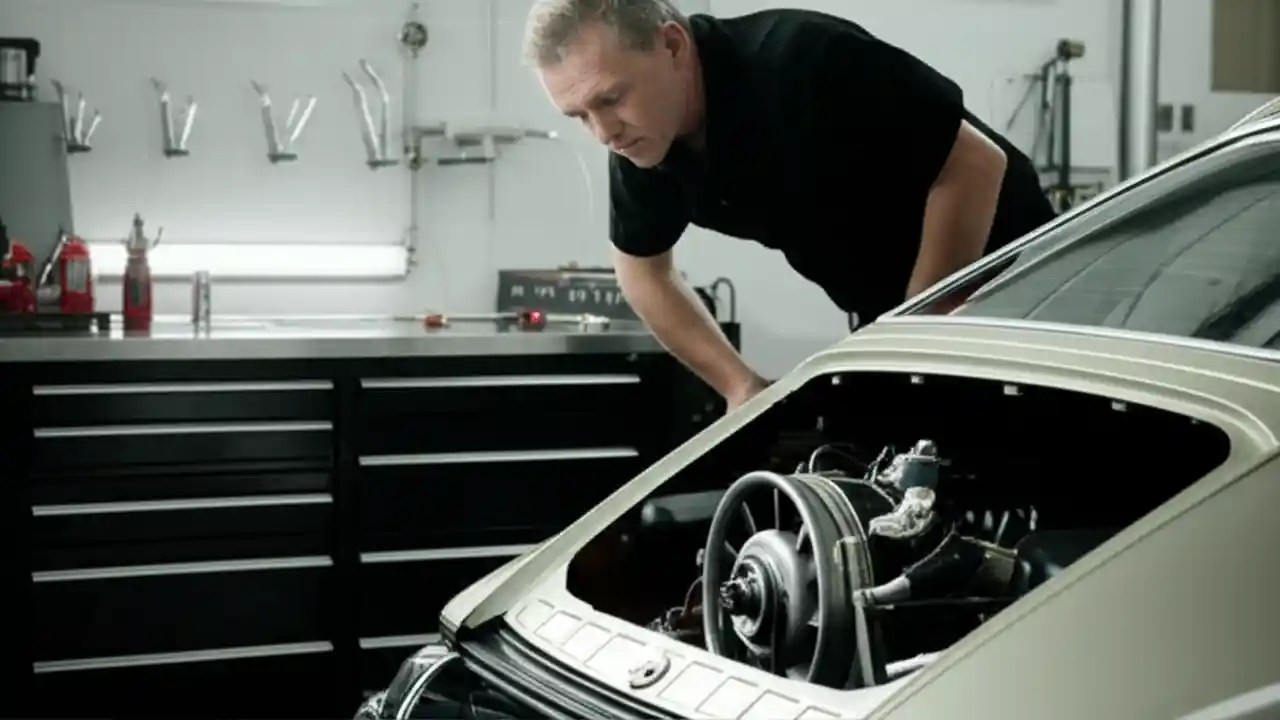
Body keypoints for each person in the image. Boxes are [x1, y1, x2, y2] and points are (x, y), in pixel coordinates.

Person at [522, 1, 1058, 411]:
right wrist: (740, 385)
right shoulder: (643, 142)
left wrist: (914, 330)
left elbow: (976, 164)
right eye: (579, 116)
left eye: (611, 99)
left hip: (1028, 287)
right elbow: (641, 269)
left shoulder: (806, 59)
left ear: (672, 46)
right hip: (895, 315)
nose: (603, 132)